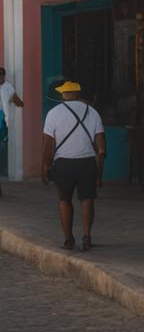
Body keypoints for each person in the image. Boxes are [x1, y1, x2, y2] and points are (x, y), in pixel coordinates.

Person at [41, 81, 106, 252]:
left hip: (63, 163)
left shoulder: (53, 113)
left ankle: (69, 239)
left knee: (64, 200)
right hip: (87, 163)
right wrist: (99, 174)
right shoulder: (93, 112)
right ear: (78, 94)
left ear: (63, 94)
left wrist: (45, 166)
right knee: (87, 199)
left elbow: (48, 144)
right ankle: (87, 237)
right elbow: (101, 149)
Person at [0, 67, 24, 132]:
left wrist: (21, 103)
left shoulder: (9, 87)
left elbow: (15, 98)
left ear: (3, 76)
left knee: (2, 133)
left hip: (4, 114)